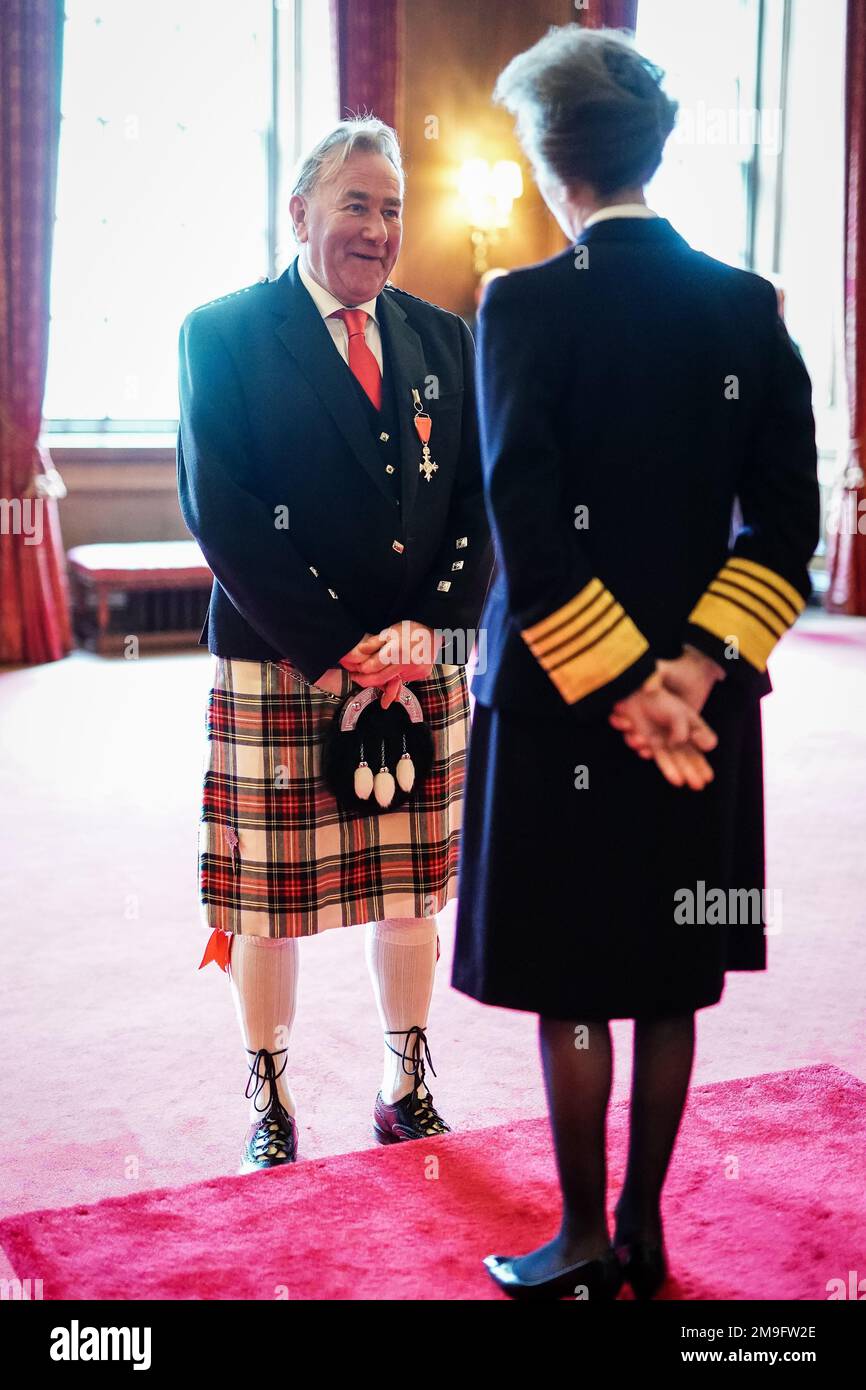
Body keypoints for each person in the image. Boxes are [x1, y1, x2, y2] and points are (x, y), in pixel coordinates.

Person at [451, 25, 820, 1301]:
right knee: (672, 966)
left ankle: (581, 1239)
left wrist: (620, 687)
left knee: (570, 974)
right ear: (649, 151)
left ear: (550, 160)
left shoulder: (522, 303)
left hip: (561, 709)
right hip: (702, 720)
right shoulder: (745, 303)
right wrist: (690, 679)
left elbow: (528, 525)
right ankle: (646, 1228)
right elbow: (787, 526)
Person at [177, 117, 493, 1172]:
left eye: (392, 208)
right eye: (354, 203)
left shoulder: (443, 336)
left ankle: (404, 1081)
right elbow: (222, 512)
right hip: (282, 655)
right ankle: (267, 1089)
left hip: (416, 660)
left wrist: (424, 635)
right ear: (299, 212)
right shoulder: (220, 332)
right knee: (268, 903)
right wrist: (341, 652)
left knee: (409, 890)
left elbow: (475, 511)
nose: (375, 227)